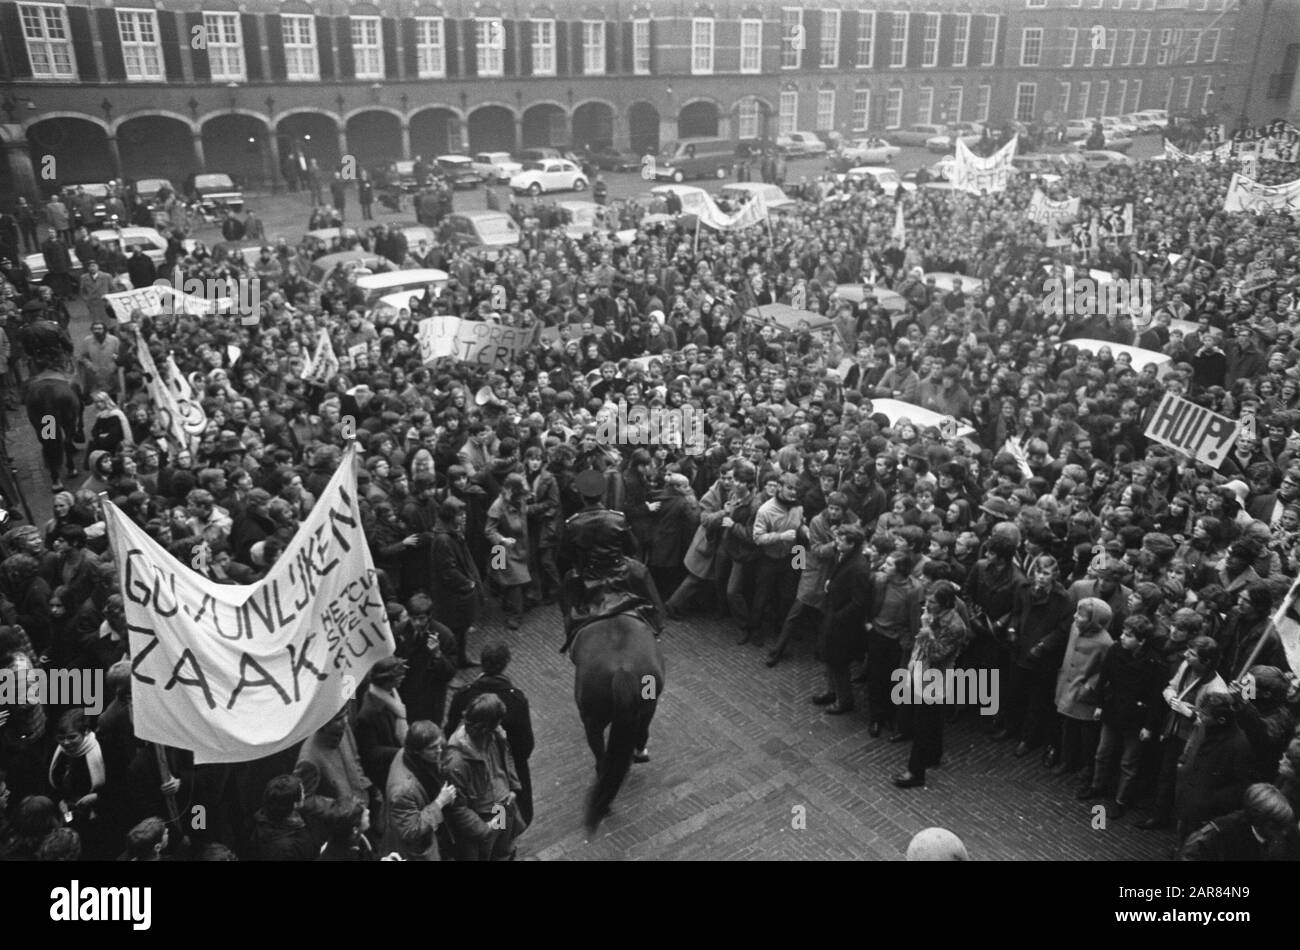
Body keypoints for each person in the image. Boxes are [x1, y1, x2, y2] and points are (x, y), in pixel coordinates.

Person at [558, 468, 664, 654]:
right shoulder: (617, 518)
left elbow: (565, 556)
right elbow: (632, 547)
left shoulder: (572, 524)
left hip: (588, 576)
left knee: (566, 593)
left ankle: (571, 631)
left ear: (581, 495)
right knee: (643, 572)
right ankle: (656, 621)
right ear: (602, 494)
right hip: (619, 571)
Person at [444, 641, 536, 825]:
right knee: (499, 817)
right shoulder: (515, 700)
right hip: (499, 779)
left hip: (470, 780)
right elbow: (525, 745)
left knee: (475, 818)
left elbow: (449, 731)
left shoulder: (463, 695)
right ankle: (500, 844)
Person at [893, 581, 969, 789]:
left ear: (945, 604)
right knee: (933, 719)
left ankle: (916, 771)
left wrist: (926, 629)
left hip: (935, 678)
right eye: (927, 601)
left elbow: (936, 654)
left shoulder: (955, 627)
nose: (928, 606)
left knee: (923, 723)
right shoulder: (933, 613)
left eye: (933, 602)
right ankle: (933, 755)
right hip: (921, 671)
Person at [442, 694, 527, 861]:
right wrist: (484, 830)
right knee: (482, 857)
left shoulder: (496, 736)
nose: (500, 726)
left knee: (502, 851)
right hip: (482, 818)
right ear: (486, 725)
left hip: (501, 807)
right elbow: (458, 807)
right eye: (498, 722)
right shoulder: (456, 761)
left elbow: (506, 761)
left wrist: (513, 788)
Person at [811, 524, 872, 715]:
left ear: (852, 544)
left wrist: (838, 617)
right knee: (830, 658)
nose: (836, 542)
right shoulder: (846, 557)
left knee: (839, 662)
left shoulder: (859, 568)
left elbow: (859, 602)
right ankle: (832, 692)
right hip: (834, 616)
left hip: (842, 624)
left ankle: (844, 700)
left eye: (840, 540)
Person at [382, 720, 457, 862]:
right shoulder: (403, 790)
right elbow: (409, 830)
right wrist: (440, 802)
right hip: (416, 850)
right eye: (432, 748)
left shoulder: (411, 754)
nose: (439, 751)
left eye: (439, 744)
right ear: (417, 750)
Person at [1178, 783, 1300, 861]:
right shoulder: (1218, 834)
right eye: (1277, 826)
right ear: (1261, 821)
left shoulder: (1277, 838)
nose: (1284, 832)